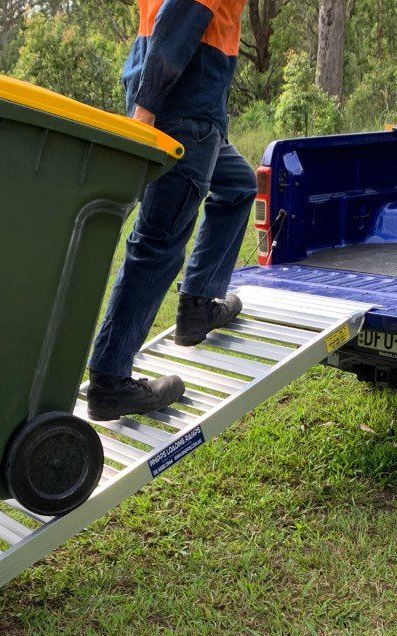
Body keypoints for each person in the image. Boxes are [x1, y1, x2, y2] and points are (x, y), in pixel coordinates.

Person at [86, 0, 256, 422]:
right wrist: (145, 115)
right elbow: (179, 19)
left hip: (196, 112)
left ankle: (198, 305)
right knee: (157, 244)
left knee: (239, 185)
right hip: (183, 115)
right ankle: (110, 381)